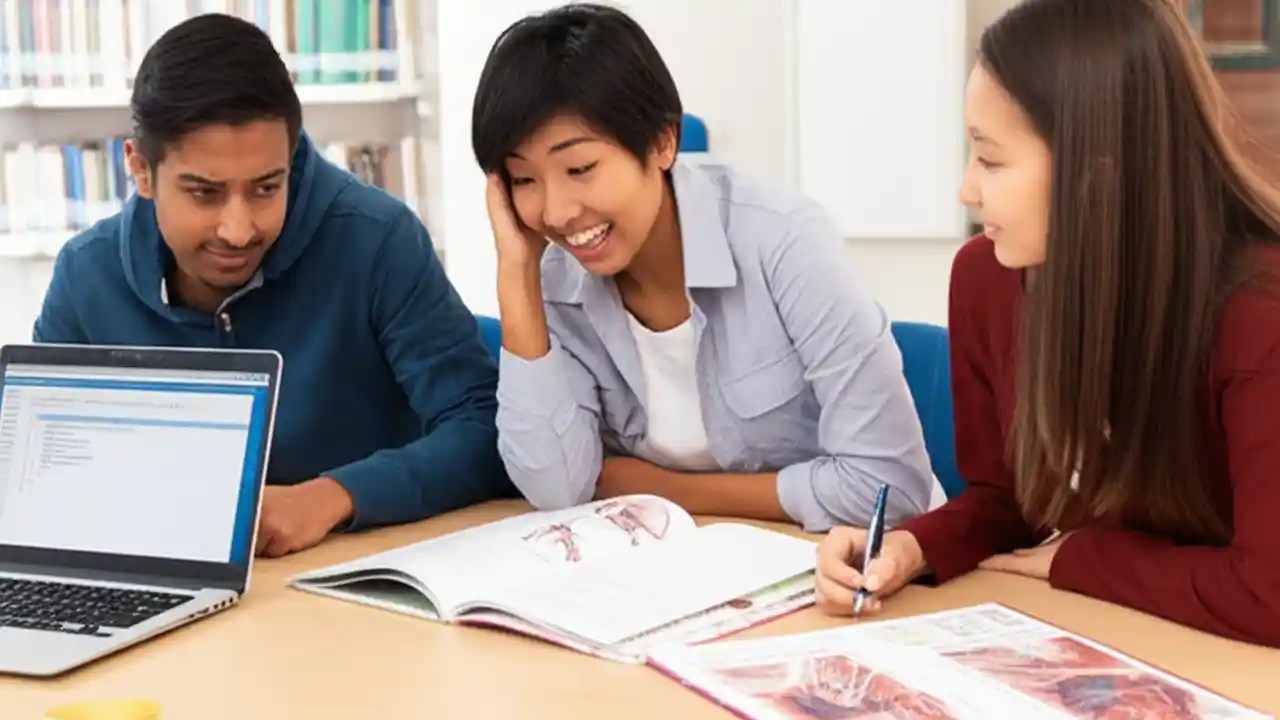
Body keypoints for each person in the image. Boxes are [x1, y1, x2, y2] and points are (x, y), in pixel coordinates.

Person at [815, 0, 1280, 648]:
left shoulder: (1259, 318)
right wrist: (911, 547)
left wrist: (1079, 560)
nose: (967, 190)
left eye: (992, 160)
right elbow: (1009, 501)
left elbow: (1269, 594)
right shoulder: (987, 277)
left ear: (1099, 174)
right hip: (1117, 636)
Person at [32, 14, 510, 557]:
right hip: (167, 580)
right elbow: (38, 470)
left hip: (347, 581)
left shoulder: (377, 239)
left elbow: (484, 429)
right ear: (140, 170)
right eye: (205, 194)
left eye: (266, 187)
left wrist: (334, 496)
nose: (239, 230)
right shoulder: (85, 275)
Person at [471, 3, 938, 532]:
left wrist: (671, 491)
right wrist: (516, 273)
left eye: (580, 168)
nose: (555, 212)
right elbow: (556, 489)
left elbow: (889, 489)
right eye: (523, 179)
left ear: (662, 142)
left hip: (843, 564)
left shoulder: (782, 239)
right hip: (681, 571)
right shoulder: (556, 279)